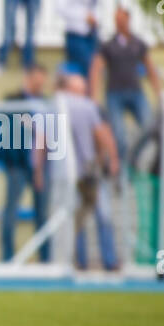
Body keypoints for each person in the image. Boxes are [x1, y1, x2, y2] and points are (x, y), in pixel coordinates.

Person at [50, 72, 119, 271]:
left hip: (65, 173)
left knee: (76, 216)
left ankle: (79, 261)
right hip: (88, 170)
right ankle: (109, 260)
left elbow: (42, 142)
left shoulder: (54, 107)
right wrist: (111, 159)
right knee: (100, 214)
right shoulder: (88, 107)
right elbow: (102, 134)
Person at [90, 7, 162, 165]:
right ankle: (121, 170)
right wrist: (94, 96)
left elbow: (150, 68)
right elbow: (97, 68)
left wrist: (158, 92)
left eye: (121, 19)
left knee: (150, 126)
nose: (119, 22)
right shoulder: (107, 45)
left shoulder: (138, 43)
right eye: (116, 19)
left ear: (128, 19)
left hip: (136, 92)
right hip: (114, 94)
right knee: (119, 136)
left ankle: (135, 159)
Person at [0, 65, 51, 262]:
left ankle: (45, 259)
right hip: (18, 165)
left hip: (41, 166)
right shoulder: (13, 100)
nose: (40, 84)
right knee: (10, 213)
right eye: (36, 79)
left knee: (42, 215)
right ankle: (8, 258)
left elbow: (45, 136)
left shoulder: (46, 103)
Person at [58, 0, 101, 75]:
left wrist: (95, 18)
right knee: (83, 67)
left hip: (91, 32)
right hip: (76, 33)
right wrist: (83, 16)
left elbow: (96, 5)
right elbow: (61, 7)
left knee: (94, 68)